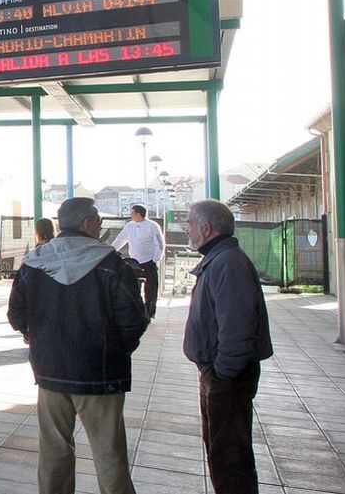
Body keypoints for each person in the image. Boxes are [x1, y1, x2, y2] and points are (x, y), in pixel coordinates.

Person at [7, 197, 148, 494]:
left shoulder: (34, 262)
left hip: (50, 372)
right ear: (87, 223)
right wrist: (114, 350)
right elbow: (134, 319)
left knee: (53, 452)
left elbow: (16, 315)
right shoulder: (111, 263)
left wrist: (37, 340)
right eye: (98, 220)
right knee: (109, 453)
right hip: (100, 374)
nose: (99, 226)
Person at [183, 200, 273, 494]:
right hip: (217, 373)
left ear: (206, 228)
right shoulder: (220, 259)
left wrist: (223, 373)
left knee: (230, 457)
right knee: (221, 451)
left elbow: (237, 325)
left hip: (226, 376)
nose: (187, 229)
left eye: (190, 223)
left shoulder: (228, 263)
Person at [110, 204, 166, 318]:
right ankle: (134, 311)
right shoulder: (129, 226)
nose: (130, 214)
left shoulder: (152, 226)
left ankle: (149, 312)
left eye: (132, 212)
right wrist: (111, 251)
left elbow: (160, 244)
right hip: (134, 262)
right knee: (132, 287)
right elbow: (120, 239)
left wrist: (155, 259)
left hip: (149, 261)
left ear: (138, 214)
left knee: (150, 289)